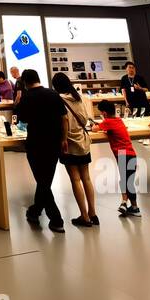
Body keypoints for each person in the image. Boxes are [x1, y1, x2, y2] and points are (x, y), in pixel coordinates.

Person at [13, 69, 69, 232]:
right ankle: (35, 211)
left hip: (35, 143)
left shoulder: (27, 97)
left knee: (43, 182)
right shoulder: (53, 94)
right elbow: (64, 118)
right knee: (45, 180)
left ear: (25, 82)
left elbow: (22, 119)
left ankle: (57, 219)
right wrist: (64, 139)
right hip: (54, 144)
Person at [52, 73, 97, 227]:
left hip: (69, 143)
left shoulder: (58, 99)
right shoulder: (78, 97)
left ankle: (84, 216)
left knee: (75, 179)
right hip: (83, 141)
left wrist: (63, 138)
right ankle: (93, 213)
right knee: (87, 178)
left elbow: (63, 120)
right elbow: (85, 119)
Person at [97, 100, 139, 217]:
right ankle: (126, 204)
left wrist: (96, 125)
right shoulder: (118, 120)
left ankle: (132, 207)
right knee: (126, 180)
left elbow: (96, 129)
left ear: (104, 113)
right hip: (130, 154)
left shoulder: (108, 122)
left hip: (122, 155)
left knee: (126, 181)